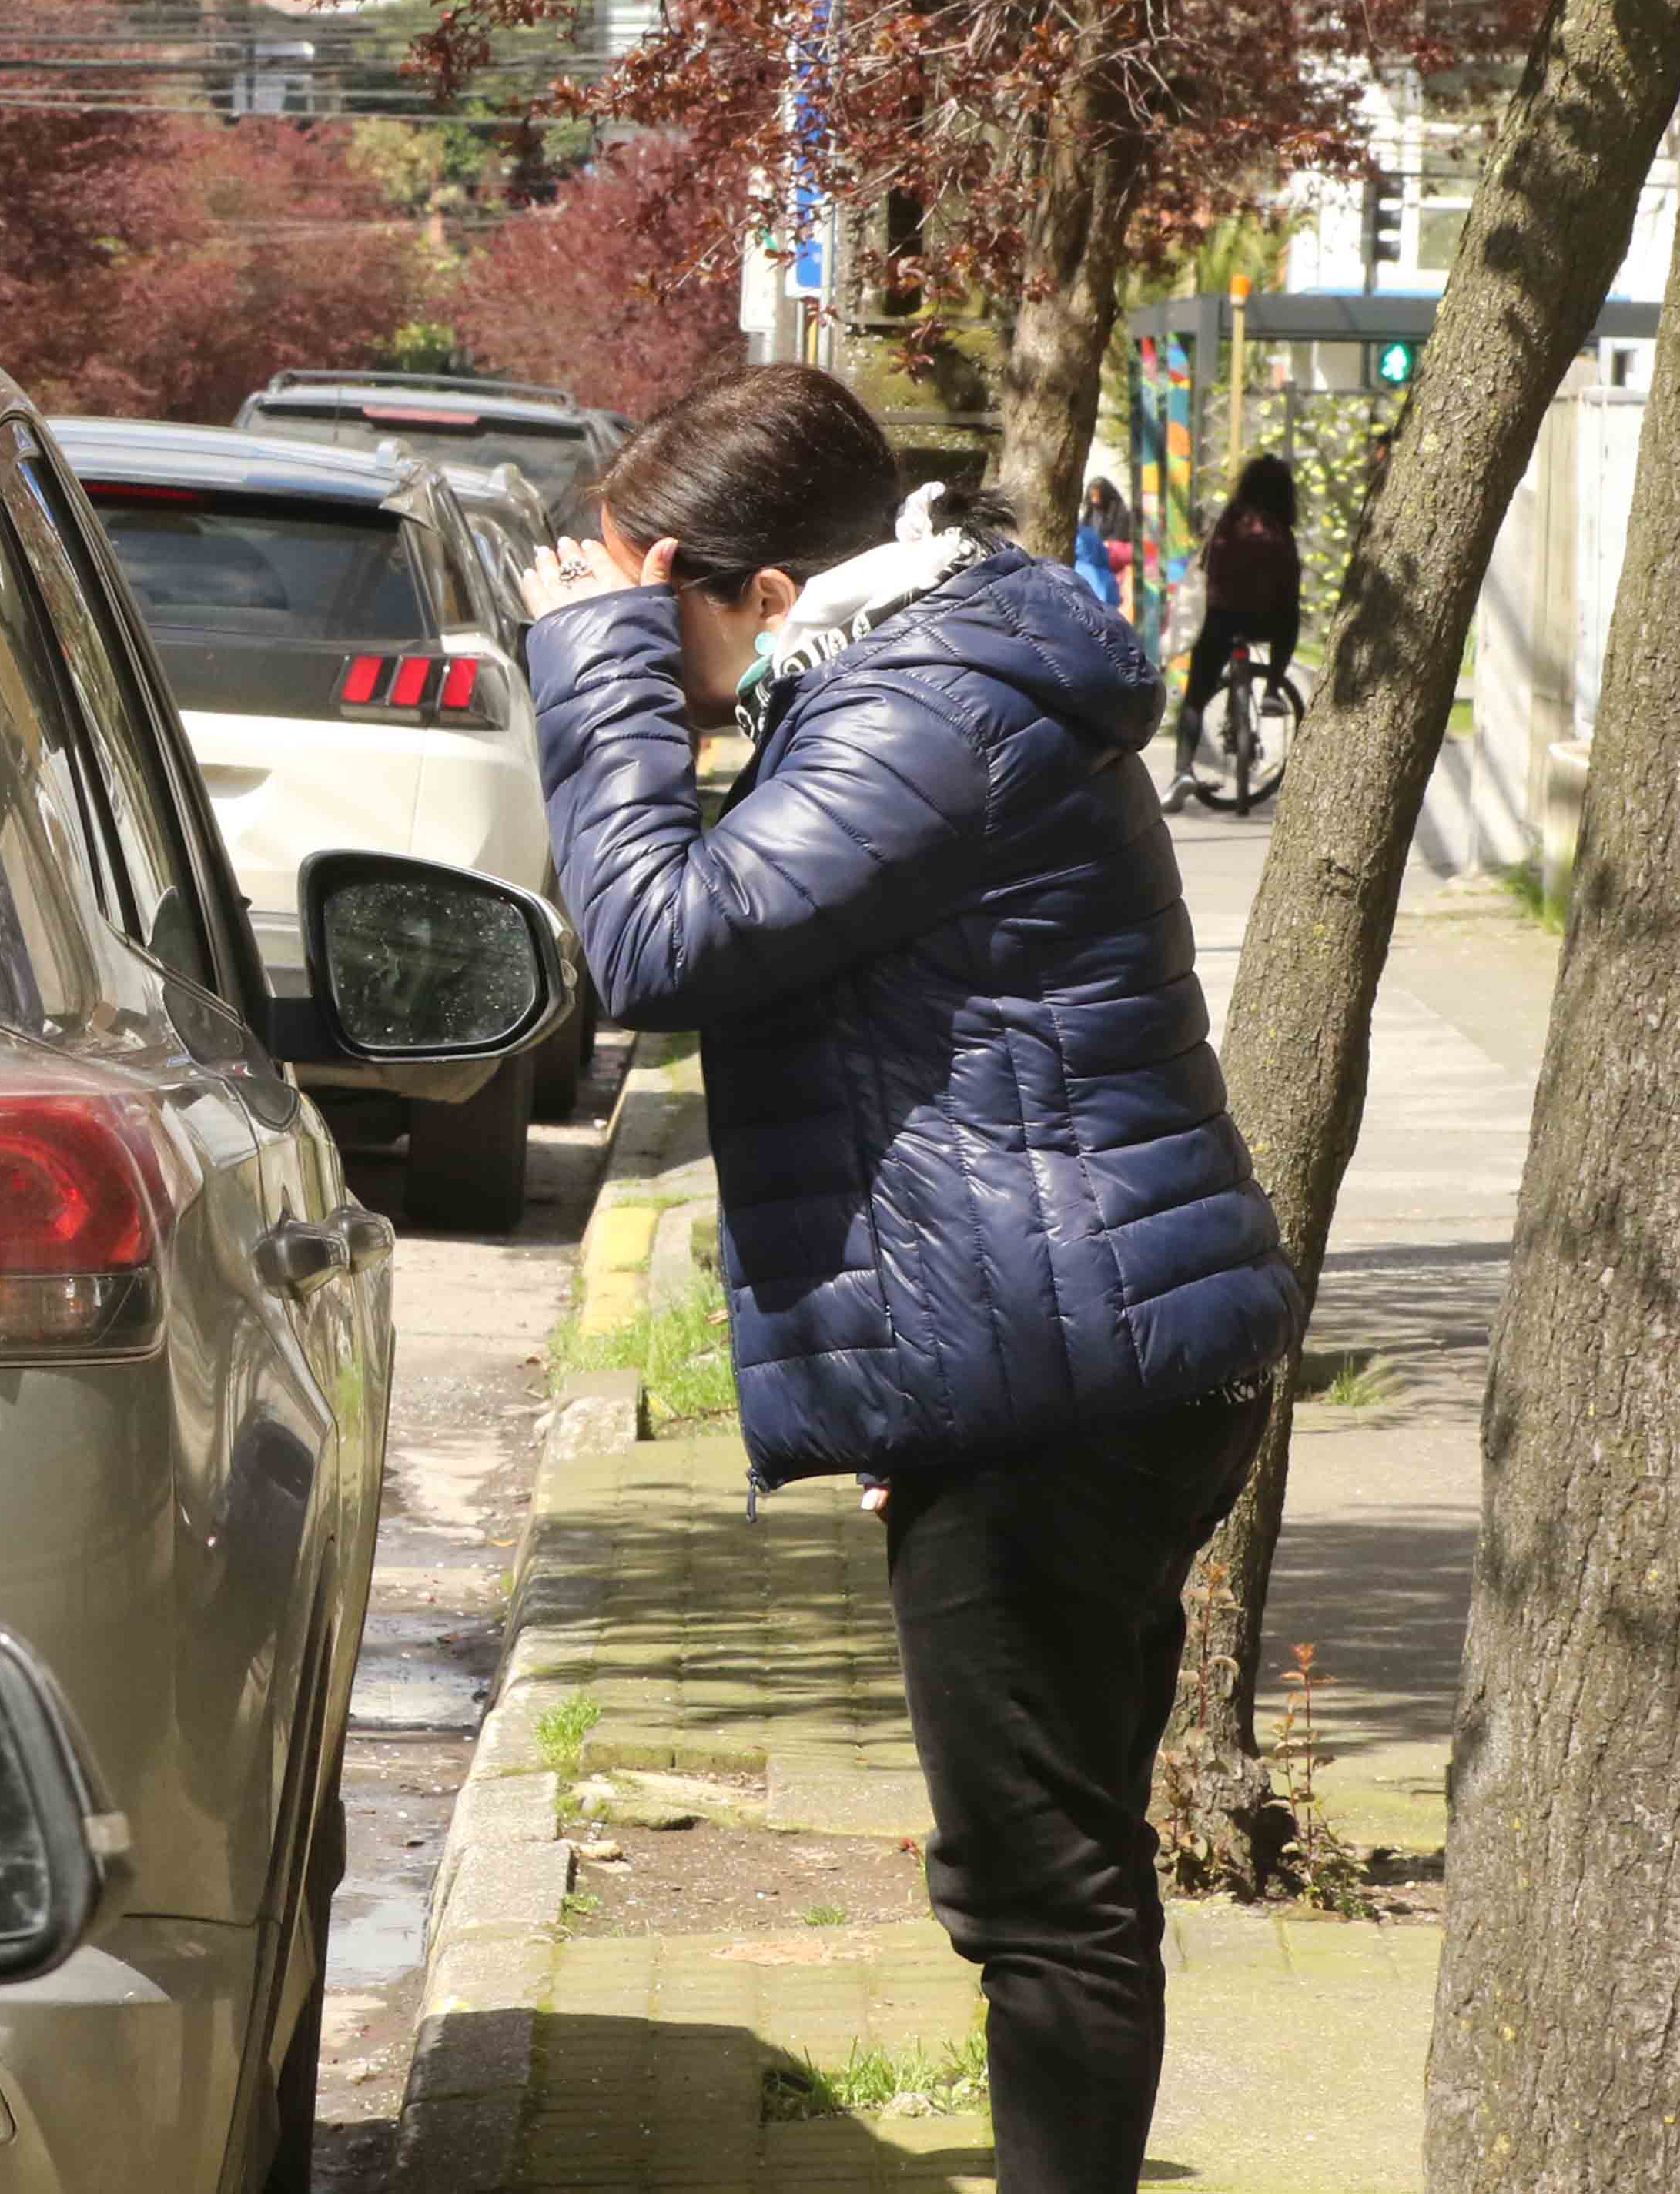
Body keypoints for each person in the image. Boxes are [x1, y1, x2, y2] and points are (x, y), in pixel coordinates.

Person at [514, 364, 1299, 2194]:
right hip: (1051, 1346)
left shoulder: (918, 710)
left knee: (1036, 1889)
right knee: (1058, 1866)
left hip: (1062, 1372)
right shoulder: (916, 681)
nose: (644, 637)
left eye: (660, 601)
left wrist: (597, 674)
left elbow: (655, 940)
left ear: (763, 591)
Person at [1170, 455, 1300, 801]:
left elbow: (1208, 565)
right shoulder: (1282, 532)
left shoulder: (1228, 523)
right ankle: (1272, 688)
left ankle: (1182, 771)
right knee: (1292, 617)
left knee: (1196, 697)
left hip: (1220, 621)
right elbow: (1290, 588)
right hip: (1266, 623)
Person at [1071, 475, 1132, 610]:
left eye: (1097, 495)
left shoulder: (1120, 514)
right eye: (1092, 496)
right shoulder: (1089, 515)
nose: (1095, 499)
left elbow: (1122, 539)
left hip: (1113, 561)